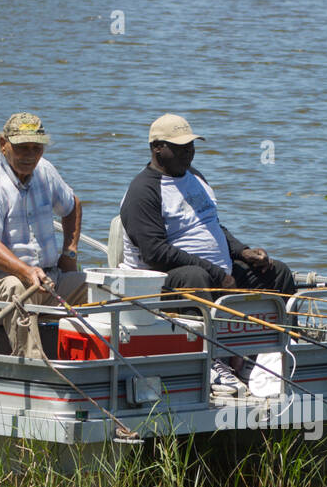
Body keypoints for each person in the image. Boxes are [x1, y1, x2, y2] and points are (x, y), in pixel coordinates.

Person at [118, 113, 298, 391]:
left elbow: (213, 225)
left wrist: (242, 251)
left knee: (278, 272)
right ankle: (212, 362)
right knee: (195, 277)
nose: (188, 152)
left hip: (217, 274)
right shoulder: (144, 191)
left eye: (190, 146)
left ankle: (276, 349)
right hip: (164, 285)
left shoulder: (196, 177)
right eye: (178, 148)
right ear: (157, 148)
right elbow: (155, 253)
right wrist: (215, 272)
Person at [0, 112, 87, 359]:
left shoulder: (45, 171)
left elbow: (72, 205)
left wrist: (69, 253)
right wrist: (26, 272)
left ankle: (100, 363)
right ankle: (34, 368)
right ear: (4, 145)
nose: (29, 155)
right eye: (22, 148)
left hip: (47, 278)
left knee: (97, 287)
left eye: (36, 148)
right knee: (17, 287)